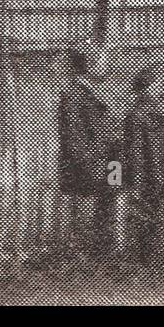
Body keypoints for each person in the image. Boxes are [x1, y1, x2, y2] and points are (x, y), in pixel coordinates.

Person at [57, 44, 122, 261]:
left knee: (107, 212)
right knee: (86, 215)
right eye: (103, 60)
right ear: (90, 64)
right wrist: (91, 167)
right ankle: (85, 260)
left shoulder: (97, 93)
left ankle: (104, 257)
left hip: (107, 165)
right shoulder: (74, 95)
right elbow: (74, 140)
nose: (107, 65)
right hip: (87, 168)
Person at [123, 63, 164, 264]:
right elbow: (136, 154)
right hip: (148, 178)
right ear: (147, 88)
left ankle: (150, 260)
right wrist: (136, 185)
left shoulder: (153, 112)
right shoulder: (139, 115)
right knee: (147, 219)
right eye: (158, 84)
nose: (162, 87)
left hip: (157, 176)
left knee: (154, 218)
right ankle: (145, 262)